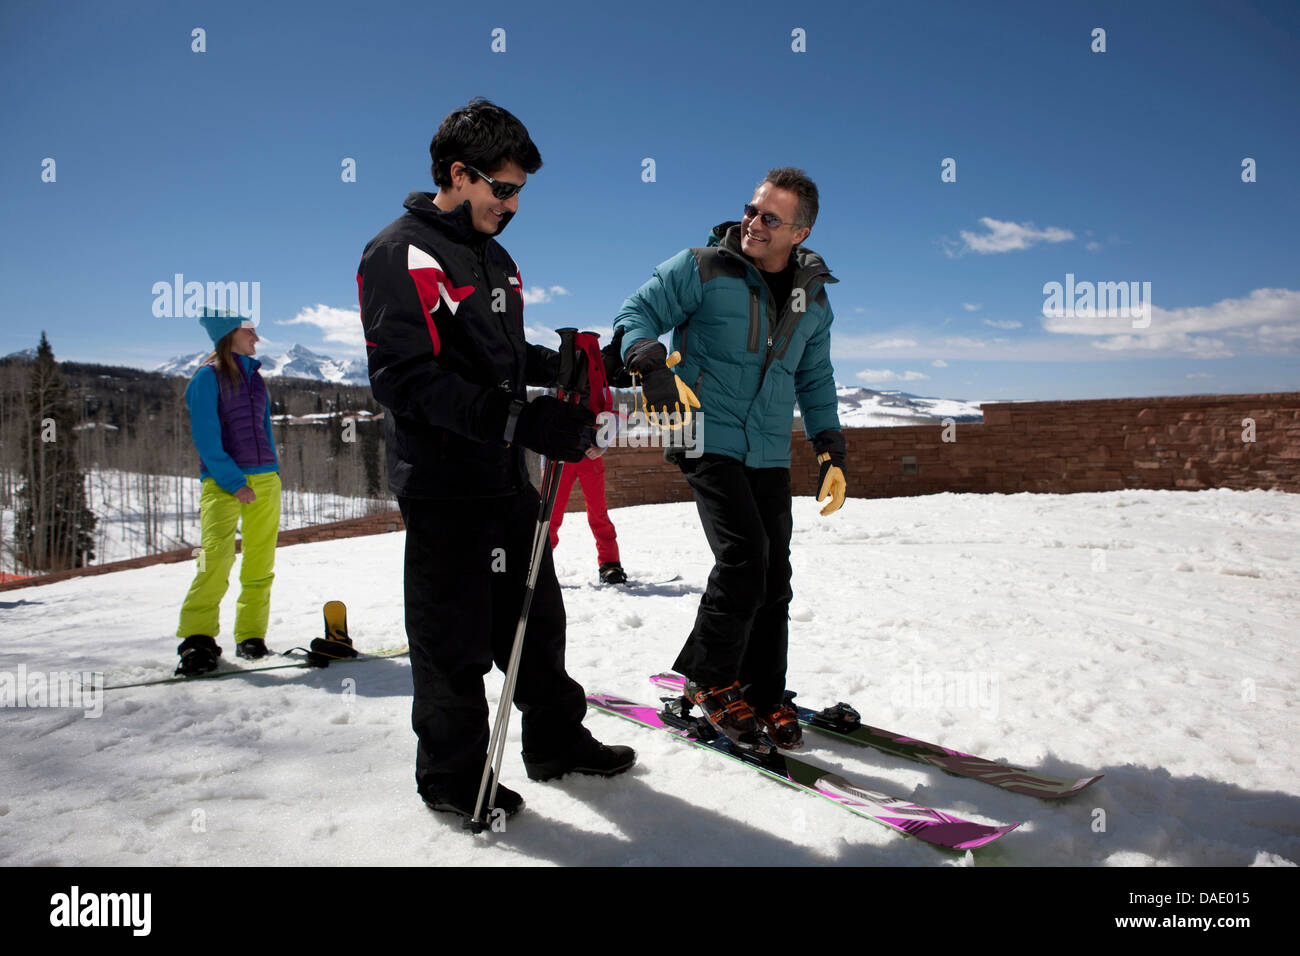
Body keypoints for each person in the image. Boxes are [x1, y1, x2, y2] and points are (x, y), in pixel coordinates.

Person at [357, 99, 634, 821]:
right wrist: (522, 418)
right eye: (502, 190)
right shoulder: (400, 252)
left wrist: (588, 364)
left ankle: (555, 743)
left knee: (538, 623)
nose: (511, 206)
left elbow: (504, 358)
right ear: (459, 173)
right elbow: (405, 380)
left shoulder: (495, 255)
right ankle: (453, 779)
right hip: (447, 485)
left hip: (507, 477)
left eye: (519, 194)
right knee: (452, 644)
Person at [614, 167, 847, 752]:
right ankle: (711, 684)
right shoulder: (702, 266)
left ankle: (764, 691)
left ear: (801, 232)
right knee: (745, 557)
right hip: (703, 434)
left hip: (766, 448)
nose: (753, 222)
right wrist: (648, 361)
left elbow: (815, 378)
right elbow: (635, 313)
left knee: (775, 575)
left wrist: (830, 450)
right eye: (751, 209)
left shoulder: (811, 299)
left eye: (770, 217)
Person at [175, 310, 282, 675]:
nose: (257, 339)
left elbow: (264, 430)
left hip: (265, 479)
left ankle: (251, 635)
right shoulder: (206, 379)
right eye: (250, 332)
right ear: (229, 334)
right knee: (216, 560)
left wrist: (271, 473)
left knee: (260, 563)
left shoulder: (256, 378)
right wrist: (235, 482)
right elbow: (206, 439)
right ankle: (197, 640)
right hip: (222, 483)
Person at [547, 331, 627, 585]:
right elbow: (545, 423)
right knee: (550, 514)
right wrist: (545, 461)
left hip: (590, 457)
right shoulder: (556, 384)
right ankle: (539, 564)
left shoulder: (598, 383)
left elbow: (612, 415)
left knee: (598, 513)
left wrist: (601, 446)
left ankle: (610, 564)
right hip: (559, 459)